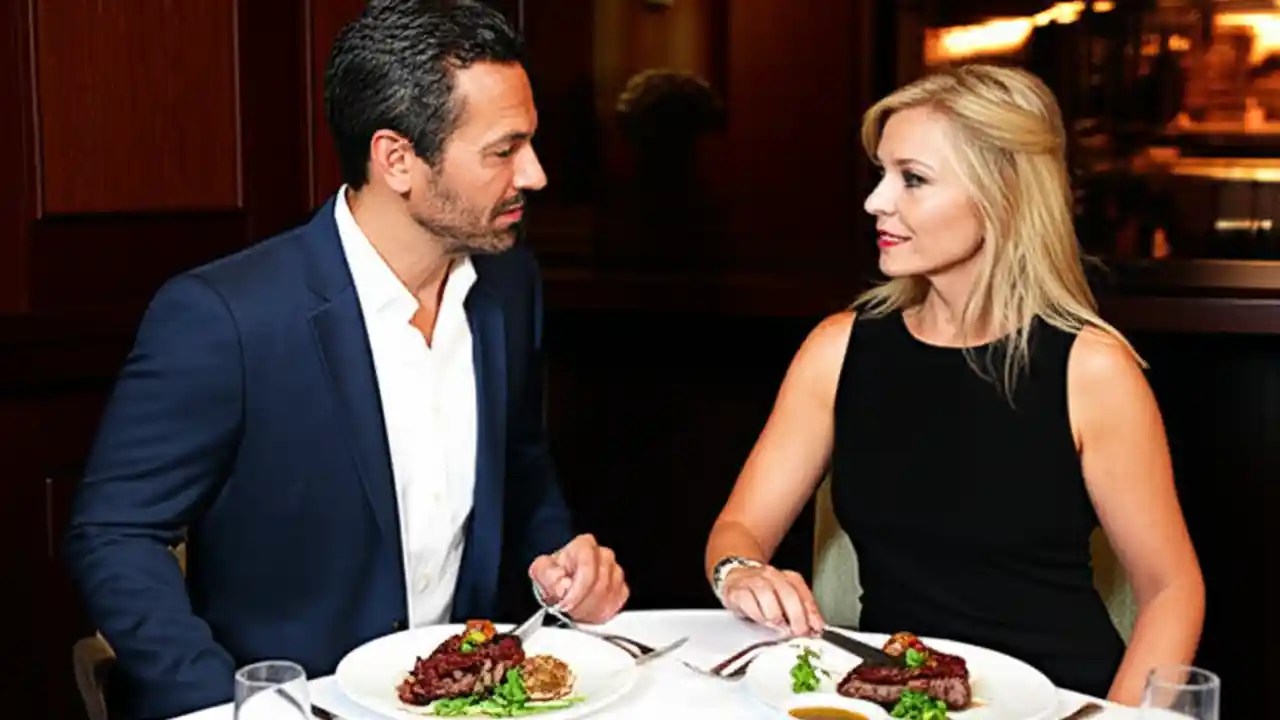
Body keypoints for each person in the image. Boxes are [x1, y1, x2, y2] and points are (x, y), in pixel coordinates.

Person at [63, 2, 628, 718]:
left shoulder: (510, 284)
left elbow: (520, 461)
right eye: (503, 149)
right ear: (397, 160)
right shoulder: (223, 317)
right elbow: (114, 533)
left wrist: (562, 564)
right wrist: (233, 704)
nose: (537, 174)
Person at [703, 64, 1204, 705]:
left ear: (1003, 195)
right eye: (882, 174)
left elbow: (1172, 589)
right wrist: (739, 571)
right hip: (891, 698)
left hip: (1057, 701)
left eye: (912, 179)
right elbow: (739, 527)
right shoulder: (839, 347)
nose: (876, 200)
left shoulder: (1092, 369)